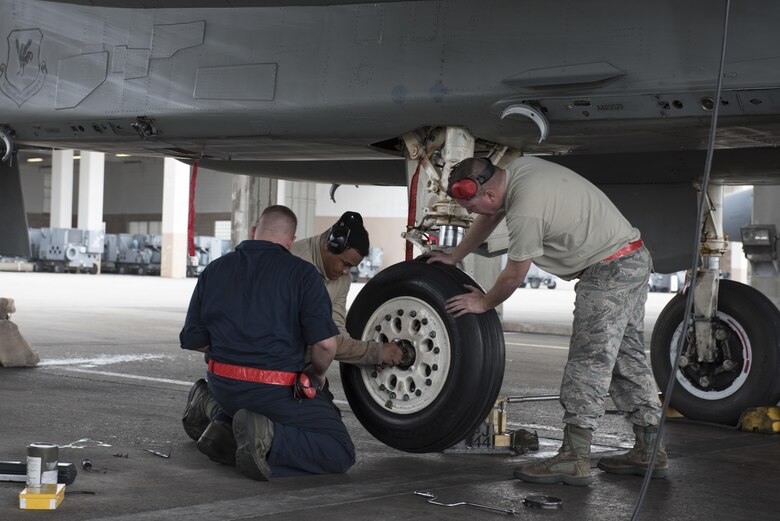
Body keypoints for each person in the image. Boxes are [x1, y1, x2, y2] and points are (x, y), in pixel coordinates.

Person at [426, 156, 666, 486]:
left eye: (470, 205)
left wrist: (484, 302)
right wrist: (456, 255)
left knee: (589, 362)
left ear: (489, 193)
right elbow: (491, 214)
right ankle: (649, 449)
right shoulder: (517, 171)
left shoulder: (525, 209)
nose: (470, 213)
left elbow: (513, 275)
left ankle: (573, 458)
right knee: (627, 357)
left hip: (608, 270)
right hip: (631, 258)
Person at [180, 205, 355, 480]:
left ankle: (212, 409)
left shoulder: (214, 269)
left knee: (240, 409)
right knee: (339, 450)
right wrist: (317, 375)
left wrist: (232, 350)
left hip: (223, 384)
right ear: (290, 240)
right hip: (275, 391)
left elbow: (193, 339)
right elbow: (325, 345)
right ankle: (267, 437)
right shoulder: (303, 274)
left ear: (253, 231)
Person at [288, 211, 403, 368]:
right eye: (345, 264)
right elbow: (322, 340)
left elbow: (336, 330)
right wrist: (374, 352)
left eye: (352, 267)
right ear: (328, 245)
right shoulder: (294, 264)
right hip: (279, 362)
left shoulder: (342, 279)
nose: (346, 272)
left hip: (303, 363)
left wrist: (367, 359)